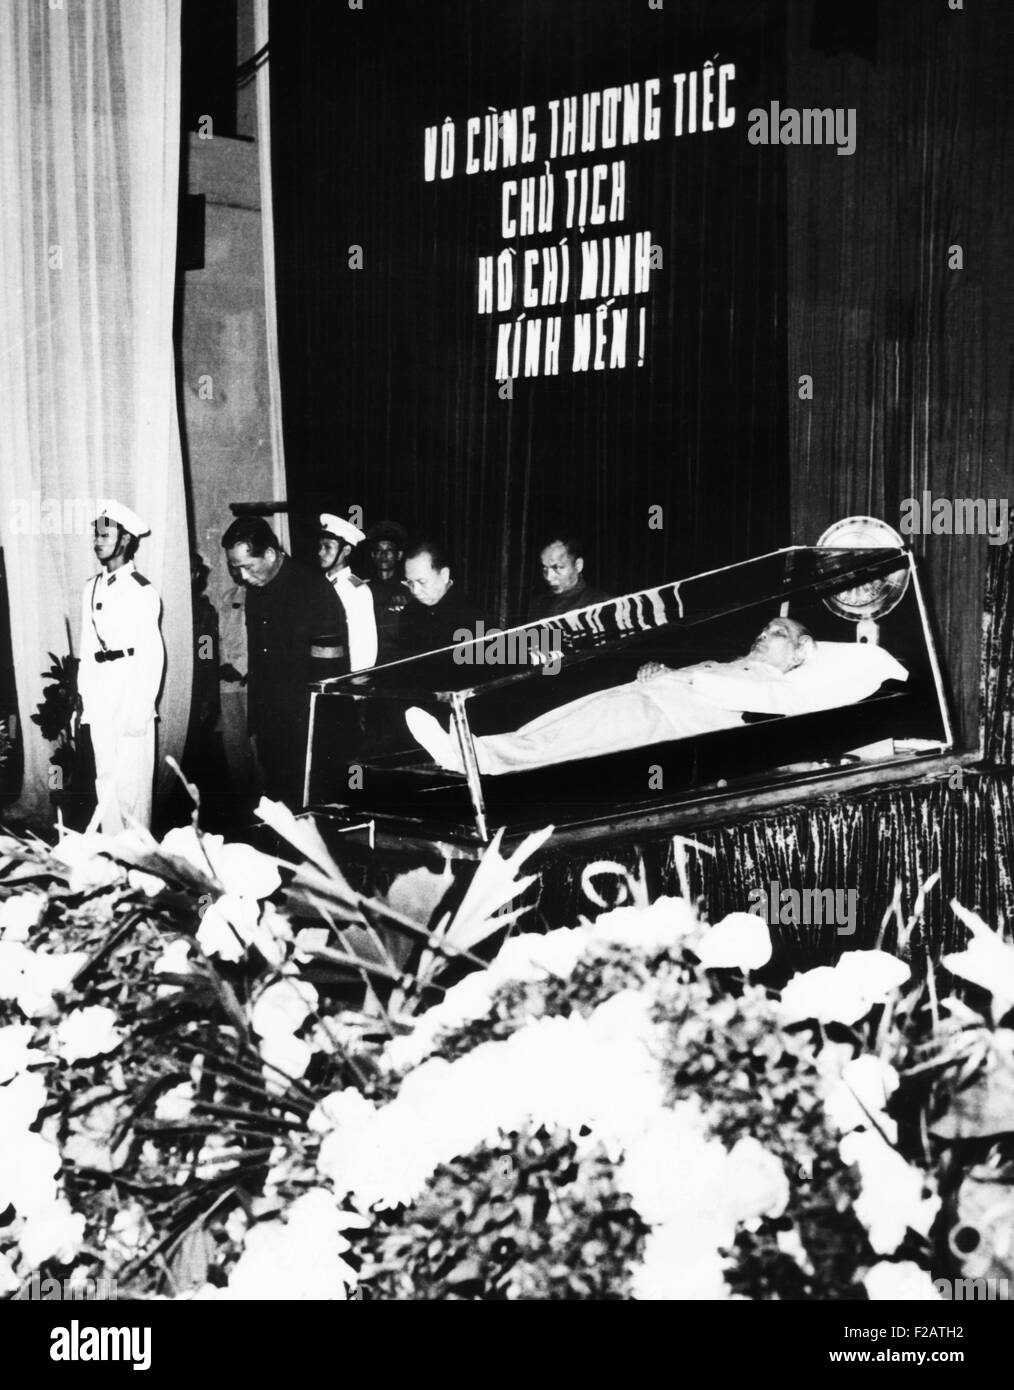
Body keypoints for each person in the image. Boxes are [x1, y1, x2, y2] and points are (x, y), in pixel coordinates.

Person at [404, 617, 895, 776]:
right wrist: (664, 670)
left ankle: (479, 759)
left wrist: (686, 681)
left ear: (800, 651)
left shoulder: (782, 682)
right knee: (567, 718)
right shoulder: (738, 662)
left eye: (778, 633)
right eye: (765, 628)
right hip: (652, 697)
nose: (764, 635)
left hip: (670, 722)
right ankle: (477, 750)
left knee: (575, 738)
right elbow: (707, 679)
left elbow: (758, 702)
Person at [221, 516, 341, 805]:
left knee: (308, 807)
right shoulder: (256, 592)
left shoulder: (313, 589)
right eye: (236, 568)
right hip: (270, 723)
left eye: (248, 566)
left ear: (271, 554)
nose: (243, 577)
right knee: (277, 803)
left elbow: (330, 668)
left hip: (307, 725)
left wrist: (317, 728)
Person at [78, 502, 165, 832]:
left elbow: (151, 652)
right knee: (106, 780)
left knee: (133, 785)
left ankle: (141, 864)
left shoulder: (141, 590)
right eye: (95, 534)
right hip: (101, 692)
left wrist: (142, 706)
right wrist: (87, 698)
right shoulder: (91, 587)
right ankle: (115, 857)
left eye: (105, 533)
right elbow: (88, 647)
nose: (97, 541)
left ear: (126, 539)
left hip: (130, 691)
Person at [397, 540, 491, 657]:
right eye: (410, 582)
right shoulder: (409, 612)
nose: (415, 591)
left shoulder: (473, 617)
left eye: (422, 582)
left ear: (444, 575)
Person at [317, 513, 378, 672]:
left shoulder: (357, 590)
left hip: (343, 675)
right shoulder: (316, 585)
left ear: (346, 550)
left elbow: (364, 647)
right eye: (320, 546)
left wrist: (356, 685)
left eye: (328, 547)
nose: (320, 552)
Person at [527, 534, 611, 621]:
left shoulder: (603, 604)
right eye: (545, 569)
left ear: (578, 565)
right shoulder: (538, 604)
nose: (549, 577)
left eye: (558, 567)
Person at [366, 519, 409, 662]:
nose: (383, 555)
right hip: (369, 660)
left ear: (399, 555)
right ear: (372, 555)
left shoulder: (410, 591)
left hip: (400, 661)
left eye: (389, 550)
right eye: (379, 550)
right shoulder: (362, 590)